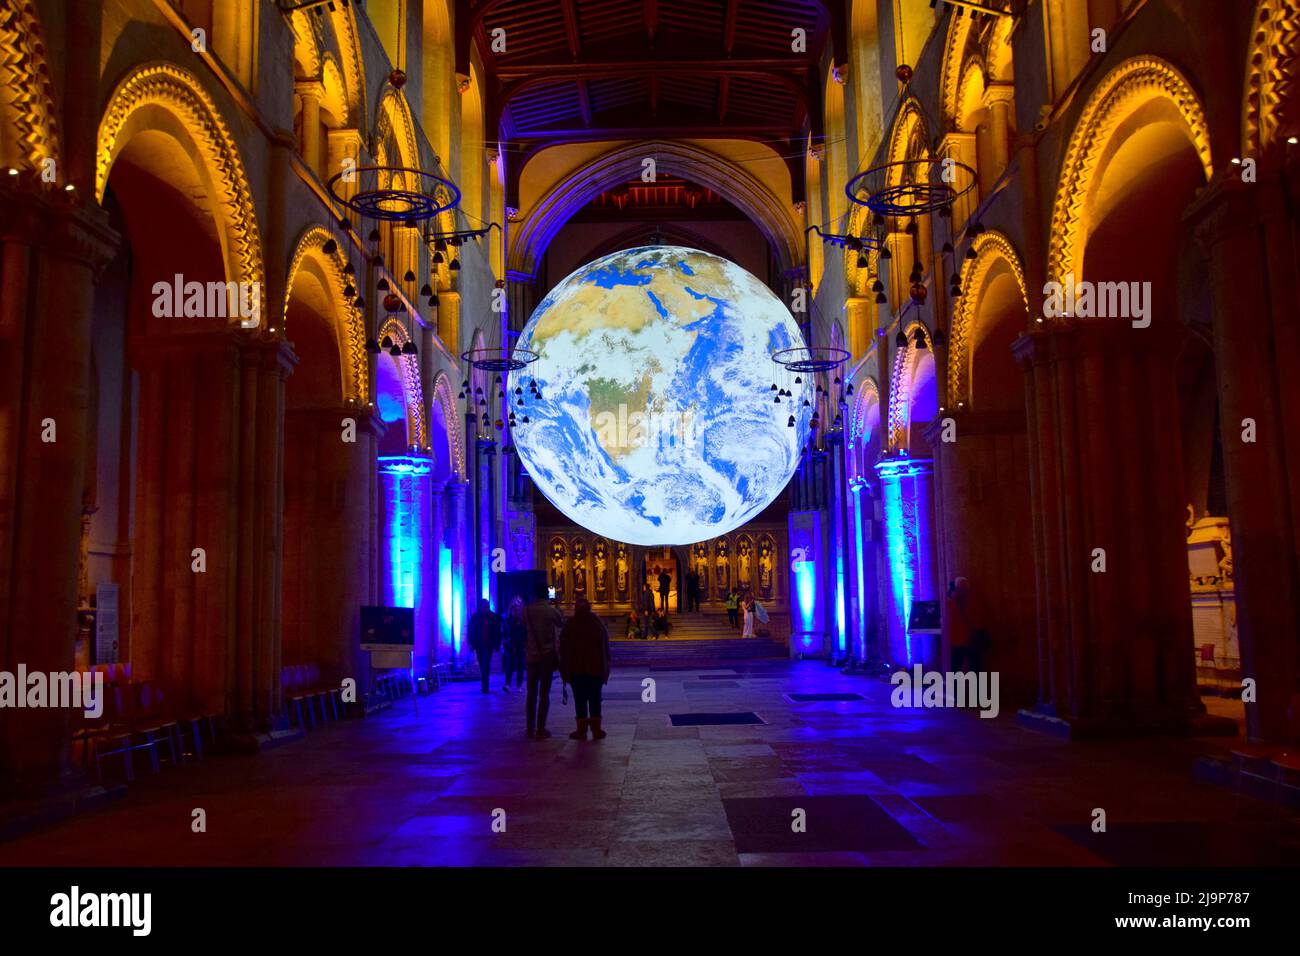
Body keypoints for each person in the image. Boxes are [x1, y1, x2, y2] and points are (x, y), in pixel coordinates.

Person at [558, 596, 611, 740]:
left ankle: (581, 730)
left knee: (580, 700)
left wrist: (563, 667)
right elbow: (605, 647)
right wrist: (606, 666)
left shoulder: (571, 625)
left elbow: (562, 647)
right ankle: (596, 729)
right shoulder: (597, 623)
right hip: (594, 669)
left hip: (577, 670)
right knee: (595, 700)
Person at [522, 583, 564, 738]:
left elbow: (523, 625)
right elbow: (561, 622)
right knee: (544, 694)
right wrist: (557, 605)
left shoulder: (527, 610)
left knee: (531, 693)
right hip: (546, 655)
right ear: (546, 595)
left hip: (531, 656)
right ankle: (541, 728)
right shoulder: (550, 611)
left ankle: (529, 727)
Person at [467, 598, 502, 693]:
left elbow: (497, 632)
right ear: (481, 607)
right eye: (485, 606)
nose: (486, 608)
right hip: (479, 645)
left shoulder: (493, 617)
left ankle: (485, 686)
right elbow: (471, 631)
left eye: (487, 606)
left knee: (486, 663)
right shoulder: (475, 617)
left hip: (488, 645)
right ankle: (484, 684)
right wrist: (471, 643)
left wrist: (497, 644)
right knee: (482, 664)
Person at [947, 577, 973, 672]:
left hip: (962, 641)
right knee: (955, 669)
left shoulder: (960, 604)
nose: (964, 593)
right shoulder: (950, 604)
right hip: (956, 643)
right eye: (962, 590)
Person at [502, 598, 527, 692]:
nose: (516, 612)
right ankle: (507, 684)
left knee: (520, 666)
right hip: (510, 646)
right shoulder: (508, 621)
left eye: (517, 610)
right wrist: (505, 642)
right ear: (511, 611)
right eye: (514, 610)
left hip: (520, 646)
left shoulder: (522, 621)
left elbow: (525, 632)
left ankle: (519, 685)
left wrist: (525, 643)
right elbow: (504, 633)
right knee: (509, 666)